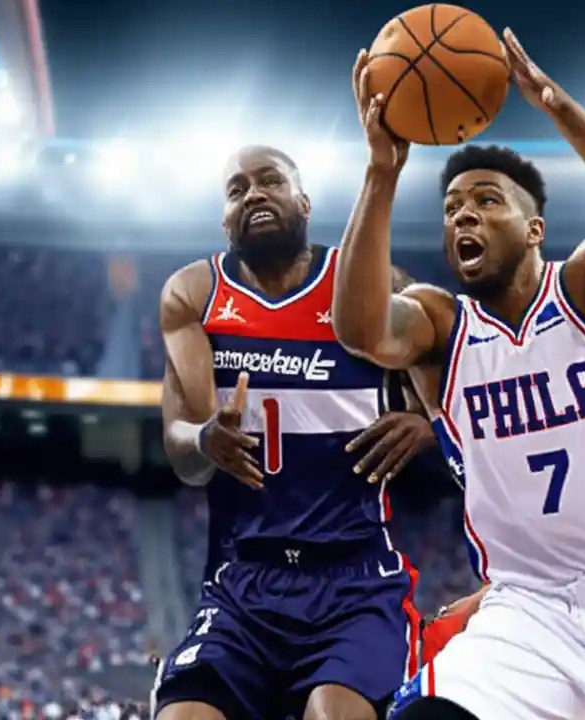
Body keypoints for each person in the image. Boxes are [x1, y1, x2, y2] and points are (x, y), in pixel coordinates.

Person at [335, 31, 585, 720]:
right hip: (524, 611)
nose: (464, 214)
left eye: (487, 200)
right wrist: (381, 172)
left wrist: (557, 107)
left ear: (534, 229)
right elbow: (359, 329)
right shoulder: (441, 324)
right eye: (452, 209)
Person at [155, 144, 439, 720]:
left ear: (304, 202)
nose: (253, 194)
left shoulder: (372, 286)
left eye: (270, 181)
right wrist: (206, 439)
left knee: (333, 713)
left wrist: (428, 425)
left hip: (355, 579)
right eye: (237, 190)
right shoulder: (194, 296)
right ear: (225, 220)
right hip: (244, 579)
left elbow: (461, 405)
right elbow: (184, 455)